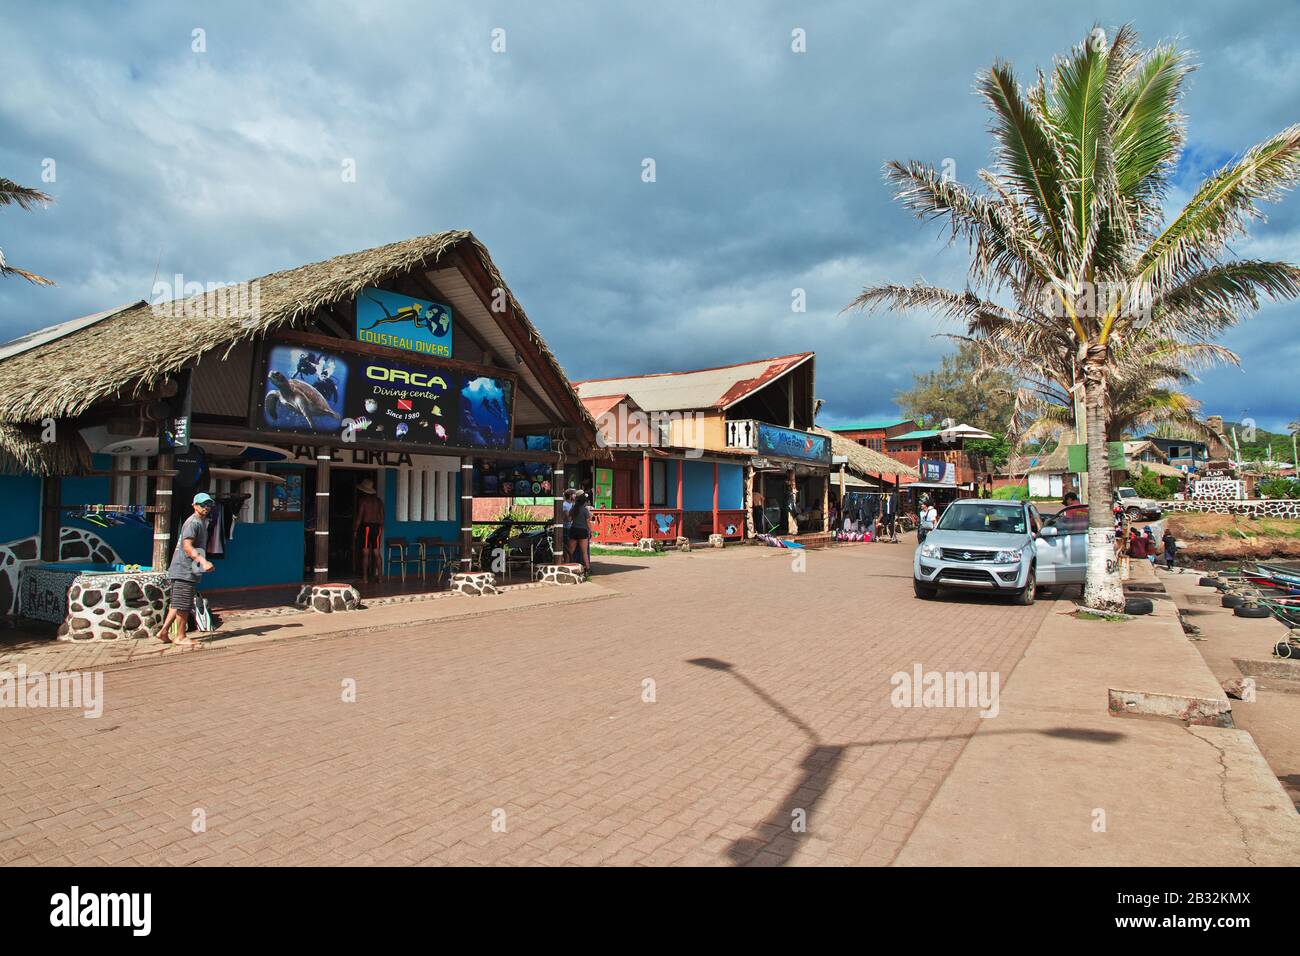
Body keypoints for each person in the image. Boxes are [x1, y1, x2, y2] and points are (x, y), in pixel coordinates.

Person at [153, 492, 215, 647]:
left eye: (209, 504)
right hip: (184, 569)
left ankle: (163, 632)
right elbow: (187, 546)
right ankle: (180, 636)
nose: (206, 507)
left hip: (189, 569)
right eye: (203, 504)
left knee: (177, 603)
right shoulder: (193, 522)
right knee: (184, 604)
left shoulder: (201, 522)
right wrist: (203, 561)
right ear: (194, 505)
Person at [353, 477, 385, 583]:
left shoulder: (363, 501)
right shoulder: (379, 501)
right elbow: (382, 517)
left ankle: (365, 578)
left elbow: (359, 517)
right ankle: (380, 577)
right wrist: (380, 528)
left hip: (366, 527)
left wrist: (355, 530)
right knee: (376, 552)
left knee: (366, 552)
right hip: (377, 527)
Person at [568, 490, 592, 573]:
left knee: (570, 550)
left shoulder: (573, 508)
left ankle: (567, 565)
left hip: (574, 529)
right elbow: (588, 522)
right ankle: (588, 568)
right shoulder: (585, 510)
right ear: (584, 502)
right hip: (583, 531)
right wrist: (590, 531)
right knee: (584, 552)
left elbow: (569, 519)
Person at [561, 488, 577, 562]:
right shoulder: (565, 505)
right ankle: (566, 561)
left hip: (572, 527)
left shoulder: (572, 504)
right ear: (570, 496)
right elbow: (568, 519)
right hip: (567, 528)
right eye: (574, 494)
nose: (575, 495)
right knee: (567, 546)